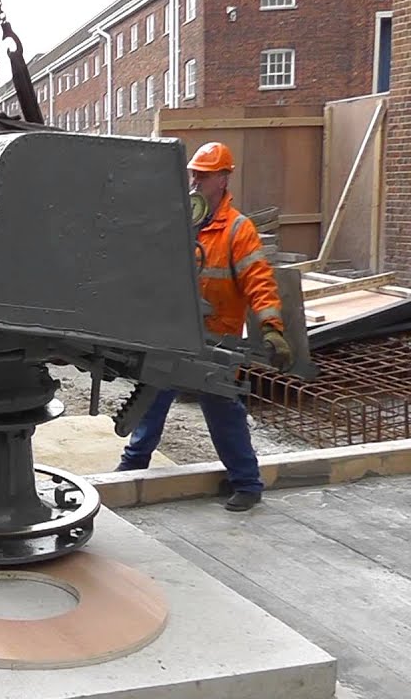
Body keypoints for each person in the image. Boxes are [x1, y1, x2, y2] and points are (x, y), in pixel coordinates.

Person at [115, 142, 293, 512]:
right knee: (149, 402)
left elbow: (259, 282)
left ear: (224, 179)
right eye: (193, 173)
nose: (195, 181)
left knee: (224, 413)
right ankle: (130, 470)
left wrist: (272, 328)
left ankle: (247, 483)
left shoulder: (238, 231)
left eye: (204, 175)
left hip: (217, 342)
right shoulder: (181, 221)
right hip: (172, 333)